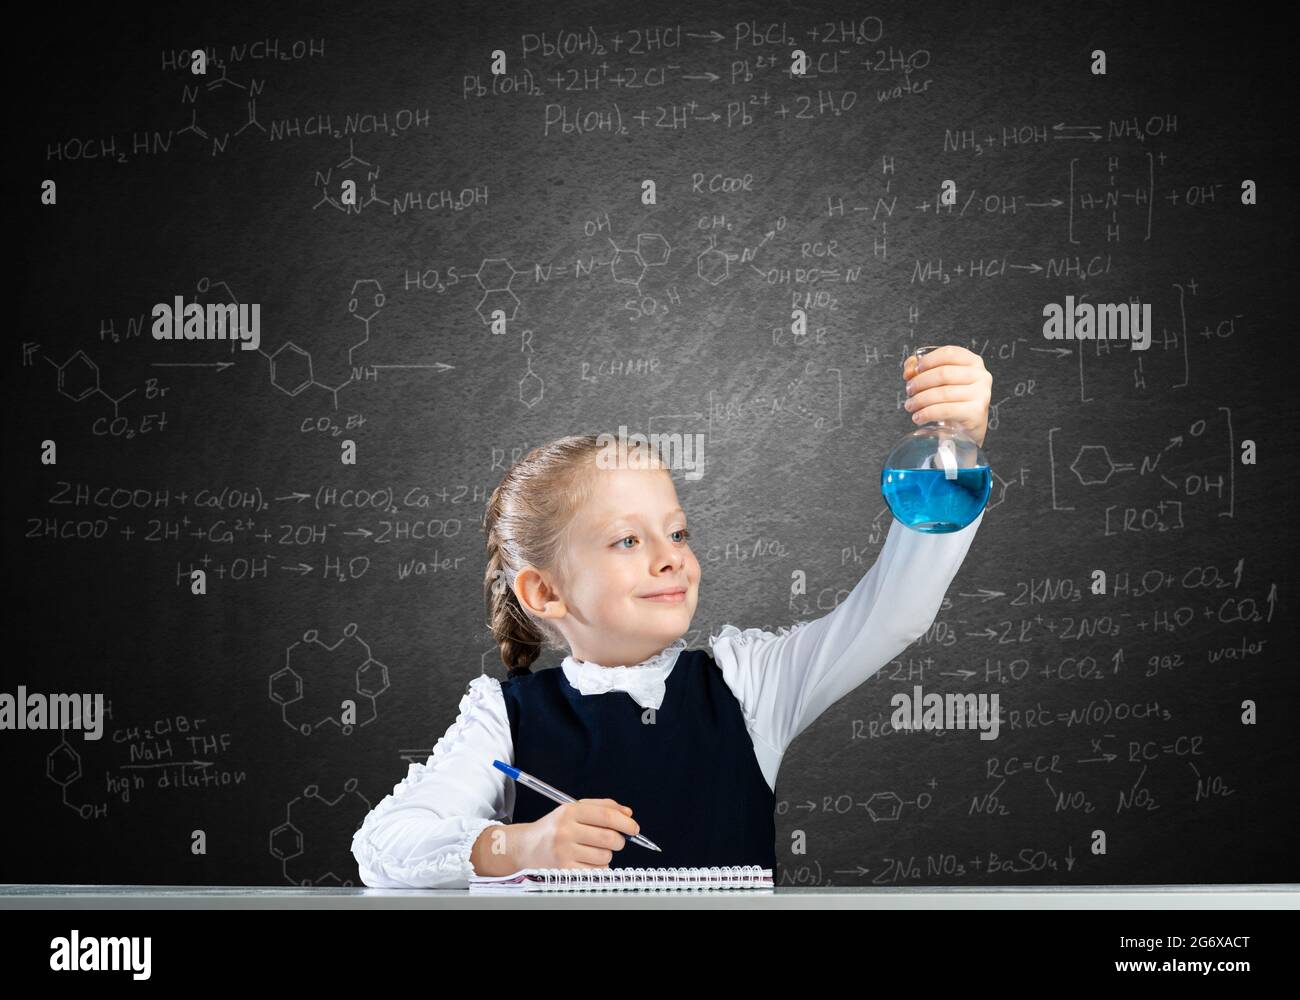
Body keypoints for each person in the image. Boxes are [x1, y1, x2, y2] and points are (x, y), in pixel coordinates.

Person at [351, 346, 993, 888]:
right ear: (544, 592)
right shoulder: (503, 717)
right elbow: (383, 847)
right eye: (628, 541)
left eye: (678, 533)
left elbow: (893, 613)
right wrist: (520, 847)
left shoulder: (748, 686)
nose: (671, 560)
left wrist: (956, 450)